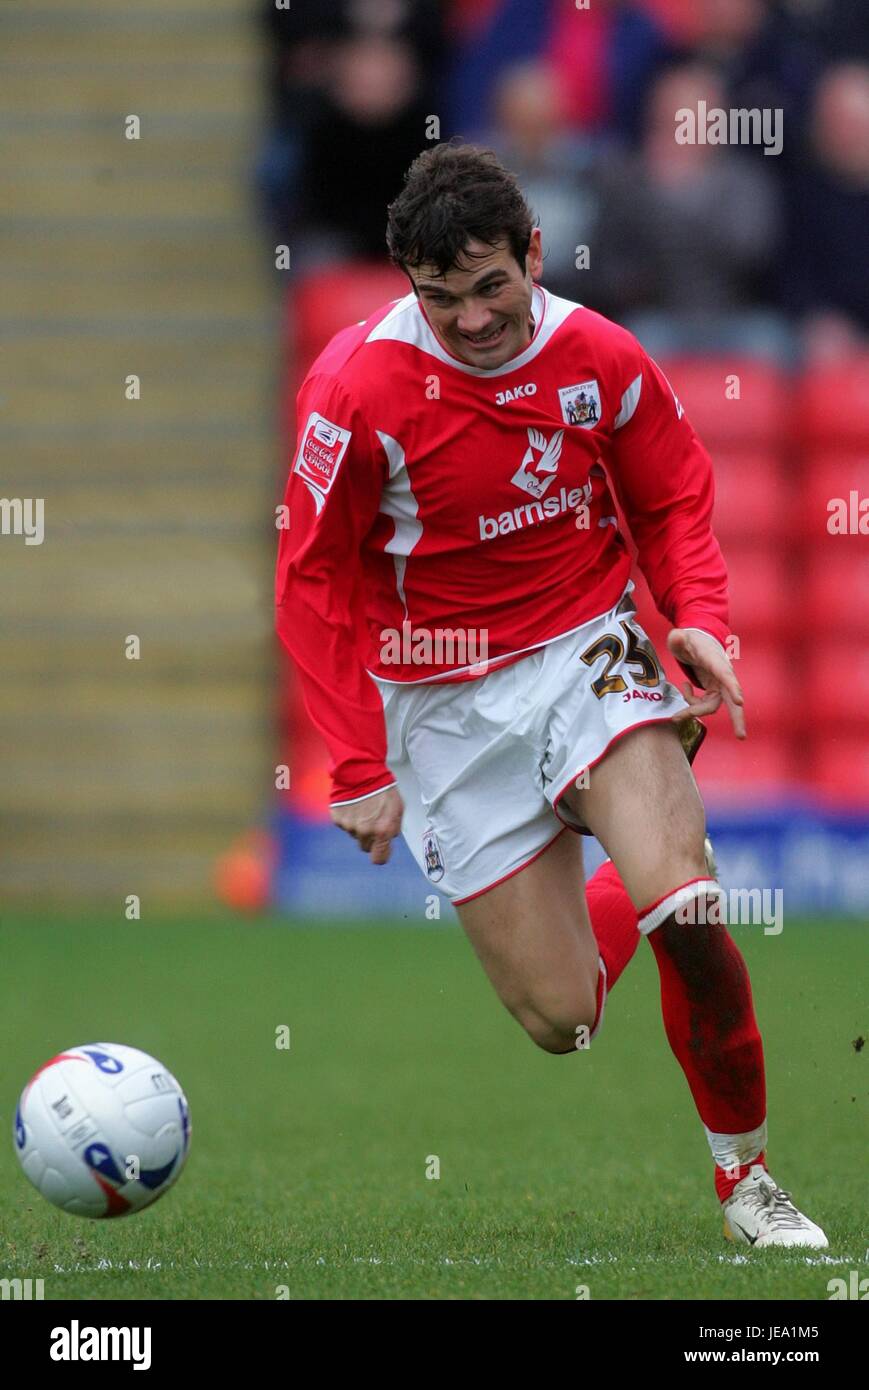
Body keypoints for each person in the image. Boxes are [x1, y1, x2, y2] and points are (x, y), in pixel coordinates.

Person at [275, 142, 827, 1247]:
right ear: (408, 288)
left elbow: (671, 498)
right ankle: (614, 879)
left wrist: (698, 620)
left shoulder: (602, 356)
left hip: (586, 648)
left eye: (491, 286)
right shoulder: (353, 387)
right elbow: (309, 579)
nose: (473, 319)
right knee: (562, 1019)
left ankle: (746, 1180)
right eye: (441, 300)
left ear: (533, 253)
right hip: (439, 704)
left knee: (689, 910)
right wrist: (360, 762)